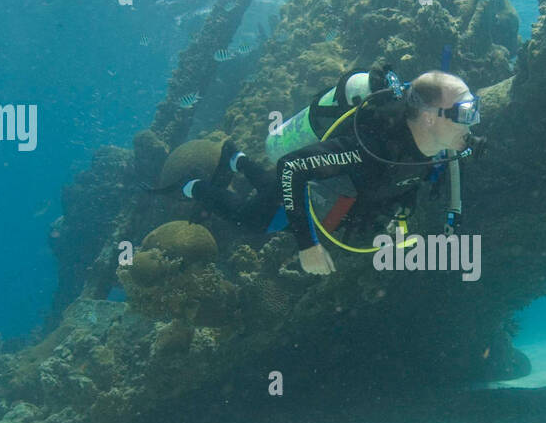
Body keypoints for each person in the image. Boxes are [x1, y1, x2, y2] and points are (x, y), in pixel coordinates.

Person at [180, 67, 482, 274]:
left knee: (269, 187)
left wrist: (400, 217)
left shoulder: (440, 151)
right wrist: (307, 245)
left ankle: (239, 160)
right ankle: (193, 185)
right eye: (465, 112)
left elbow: (408, 183)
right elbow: (292, 167)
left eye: (475, 108)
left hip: (331, 197)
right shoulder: (370, 147)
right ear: (429, 118)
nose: (474, 122)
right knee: (251, 221)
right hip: (304, 193)